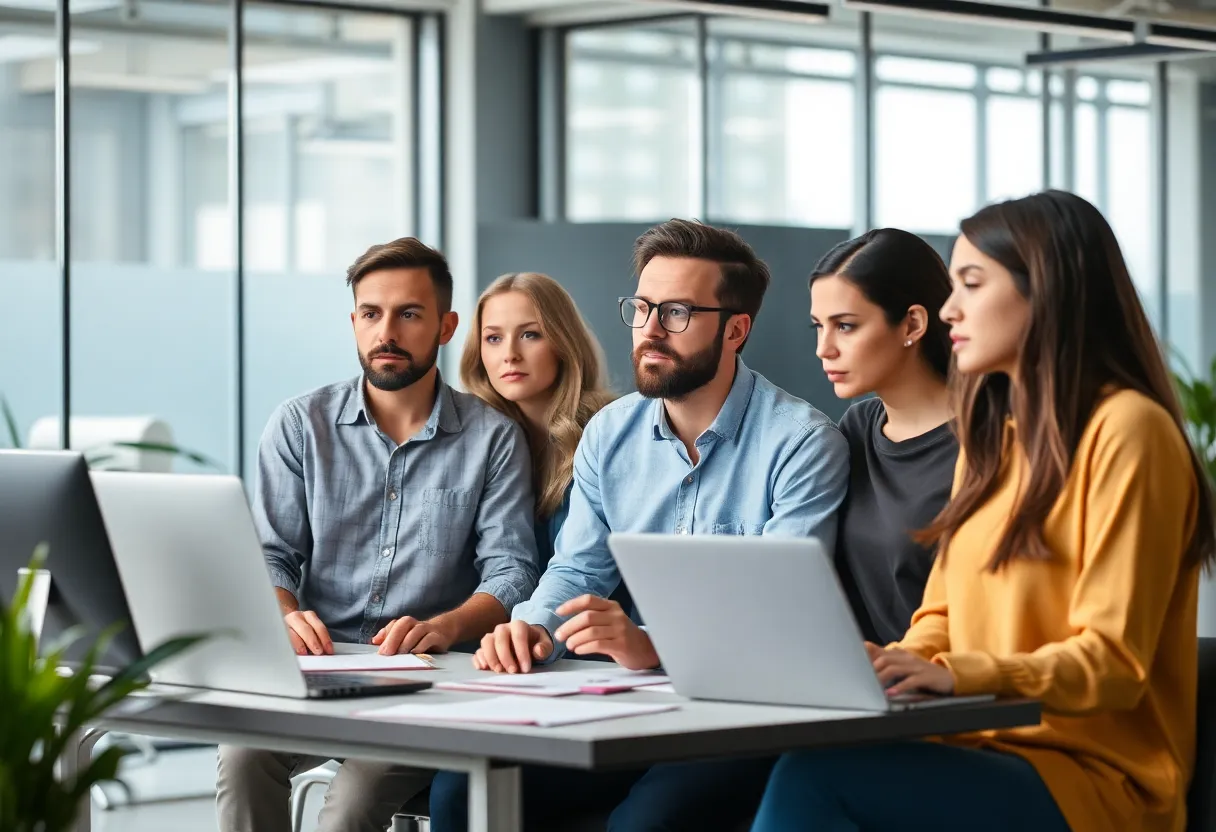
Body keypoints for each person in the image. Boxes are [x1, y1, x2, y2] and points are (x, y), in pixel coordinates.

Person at [751, 190, 1216, 832]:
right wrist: (895, 667)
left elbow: (1113, 663)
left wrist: (953, 675)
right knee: (809, 760)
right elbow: (941, 613)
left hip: (1087, 777)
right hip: (975, 744)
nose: (949, 309)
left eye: (971, 282)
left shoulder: (1128, 430)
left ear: (1046, 290)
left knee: (815, 780)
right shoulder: (993, 438)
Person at [475, 219, 851, 831]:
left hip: (742, 717)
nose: (650, 330)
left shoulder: (803, 444)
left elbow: (781, 619)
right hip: (635, 708)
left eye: (677, 313)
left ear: (736, 330)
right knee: (460, 796)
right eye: (643, 307)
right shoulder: (610, 433)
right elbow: (577, 568)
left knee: (643, 824)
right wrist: (534, 628)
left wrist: (651, 646)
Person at [216, 238, 540, 832]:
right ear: (354, 321)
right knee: (241, 757)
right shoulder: (298, 426)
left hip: (428, 683)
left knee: (354, 803)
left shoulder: (493, 438)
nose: (386, 331)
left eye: (409, 314)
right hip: (320, 666)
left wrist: (446, 625)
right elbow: (270, 555)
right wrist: (284, 612)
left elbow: (513, 570)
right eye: (371, 313)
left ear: (445, 327)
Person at [429, 271, 644, 830]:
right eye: (494, 338)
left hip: (593, 668)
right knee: (458, 791)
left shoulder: (610, 432)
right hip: (502, 667)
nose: (510, 354)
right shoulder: (473, 442)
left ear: (563, 343)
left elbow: (586, 571)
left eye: (530, 334)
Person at [810, 228, 957, 646]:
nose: (824, 348)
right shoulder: (856, 429)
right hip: (857, 683)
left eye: (846, 326)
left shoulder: (988, 443)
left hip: (947, 687)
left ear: (912, 323)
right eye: (818, 326)